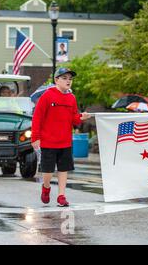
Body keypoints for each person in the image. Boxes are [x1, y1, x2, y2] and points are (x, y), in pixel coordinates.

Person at [31, 68, 91, 207]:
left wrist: (82, 117)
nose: (68, 81)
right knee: (48, 171)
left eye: (70, 78)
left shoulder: (71, 98)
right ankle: (46, 187)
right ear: (56, 80)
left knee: (63, 169)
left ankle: (61, 196)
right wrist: (35, 137)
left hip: (65, 141)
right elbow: (37, 118)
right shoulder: (47, 96)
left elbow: (74, 119)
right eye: (64, 78)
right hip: (48, 141)